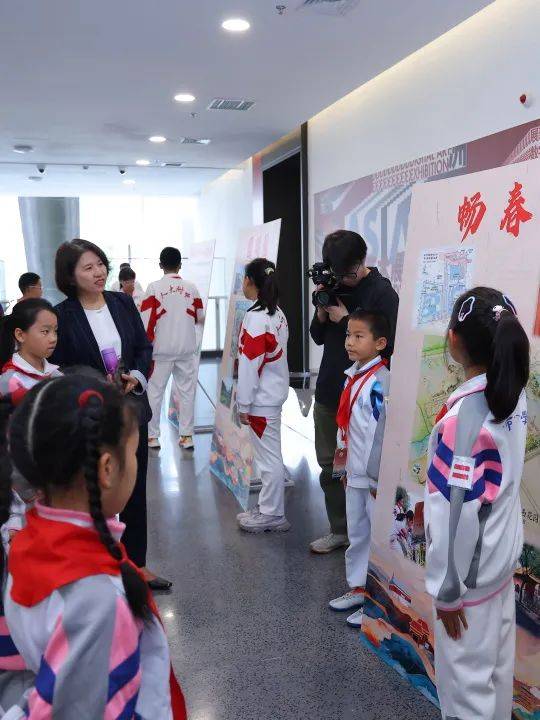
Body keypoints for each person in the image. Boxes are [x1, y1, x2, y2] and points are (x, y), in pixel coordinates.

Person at [2, 375, 187, 718]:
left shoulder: (26, 543)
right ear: (107, 469)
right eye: (132, 453)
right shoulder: (97, 602)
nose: (136, 465)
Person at [424, 287, 529, 720]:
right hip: (498, 574)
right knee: (497, 684)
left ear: (453, 340)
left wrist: (447, 593)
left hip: (468, 589)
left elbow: (456, 516)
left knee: (467, 698)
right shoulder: (513, 395)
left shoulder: (462, 422)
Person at [51, 238, 171, 591]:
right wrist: (93, 383)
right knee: (93, 489)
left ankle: (137, 564)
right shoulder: (63, 315)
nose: (98, 272)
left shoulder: (121, 302)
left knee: (133, 486)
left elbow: (143, 347)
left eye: (100, 264)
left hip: (130, 408)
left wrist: (136, 376)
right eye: (88, 268)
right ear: (70, 276)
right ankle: (96, 566)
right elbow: (59, 367)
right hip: (91, 413)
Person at [309, 230, 399, 554]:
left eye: (349, 273)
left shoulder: (381, 293)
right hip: (330, 389)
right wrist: (322, 313)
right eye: (339, 274)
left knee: (366, 470)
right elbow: (317, 336)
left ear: (361, 261)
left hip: (366, 396)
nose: (345, 280)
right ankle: (340, 530)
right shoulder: (332, 285)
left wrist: (346, 319)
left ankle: (372, 538)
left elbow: (390, 347)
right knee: (329, 465)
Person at [328, 310, 390, 626]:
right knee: (357, 532)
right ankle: (358, 588)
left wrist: (378, 478)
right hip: (353, 473)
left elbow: (381, 432)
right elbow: (346, 427)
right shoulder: (352, 376)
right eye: (348, 335)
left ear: (380, 343)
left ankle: (377, 601)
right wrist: (342, 469)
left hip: (372, 477)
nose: (350, 342)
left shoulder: (380, 382)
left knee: (377, 537)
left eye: (358, 336)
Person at [235, 258, 290, 533]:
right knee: (270, 456)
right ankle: (270, 508)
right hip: (271, 394)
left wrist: (243, 403)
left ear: (249, 281)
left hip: (261, 399)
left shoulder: (257, 317)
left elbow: (250, 363)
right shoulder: (276, 313)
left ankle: (272, 513)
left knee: (268, 460)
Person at [141, 247, 203, 451]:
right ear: (180, 265)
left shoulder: (154, 288)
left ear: (160, 265)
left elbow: (146, 322)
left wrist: (145, 348)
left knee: (155, 393)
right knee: (187, 393)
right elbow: (200, 317)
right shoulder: (191, 288)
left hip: (161, 350)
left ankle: (152, 437)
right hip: (186, 349)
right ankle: (187, 437)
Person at [0, 299, 61, 393]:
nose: (53, 338)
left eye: (55, 331)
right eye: (45, 331)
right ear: (20, 335)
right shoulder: (8, 382)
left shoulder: (56, 374)